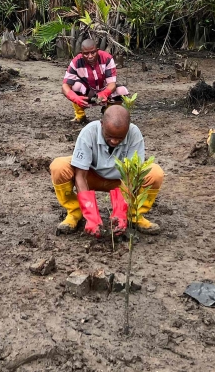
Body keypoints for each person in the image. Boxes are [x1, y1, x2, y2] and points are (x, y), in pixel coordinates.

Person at [49, 105, 163, 236]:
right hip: (91, 177)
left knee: (155, 173)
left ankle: (133, 215)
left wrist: (120, 213)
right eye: (109, 136)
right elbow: (80, 175)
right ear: (102, 124)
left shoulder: (134, 133)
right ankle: (75, 212)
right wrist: (91, 216)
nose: (114, 141)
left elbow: (131, 176)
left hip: (121, 181)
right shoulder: (89, 132)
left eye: (120, 138)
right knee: (59, 166)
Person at [61, 38, 129, 122]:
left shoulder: (107, 58)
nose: (90, 56)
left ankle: (108, 112)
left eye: (93, 52)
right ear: (81, 53)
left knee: (121, 91)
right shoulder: (76, 62)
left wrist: (104, 93)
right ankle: (80, 115)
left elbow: (112, 84)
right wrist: (75, 98)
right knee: (75, 86)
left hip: (105, 91)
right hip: (87, 93)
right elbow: (65, 86)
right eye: (86, 54)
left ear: (97, 50)